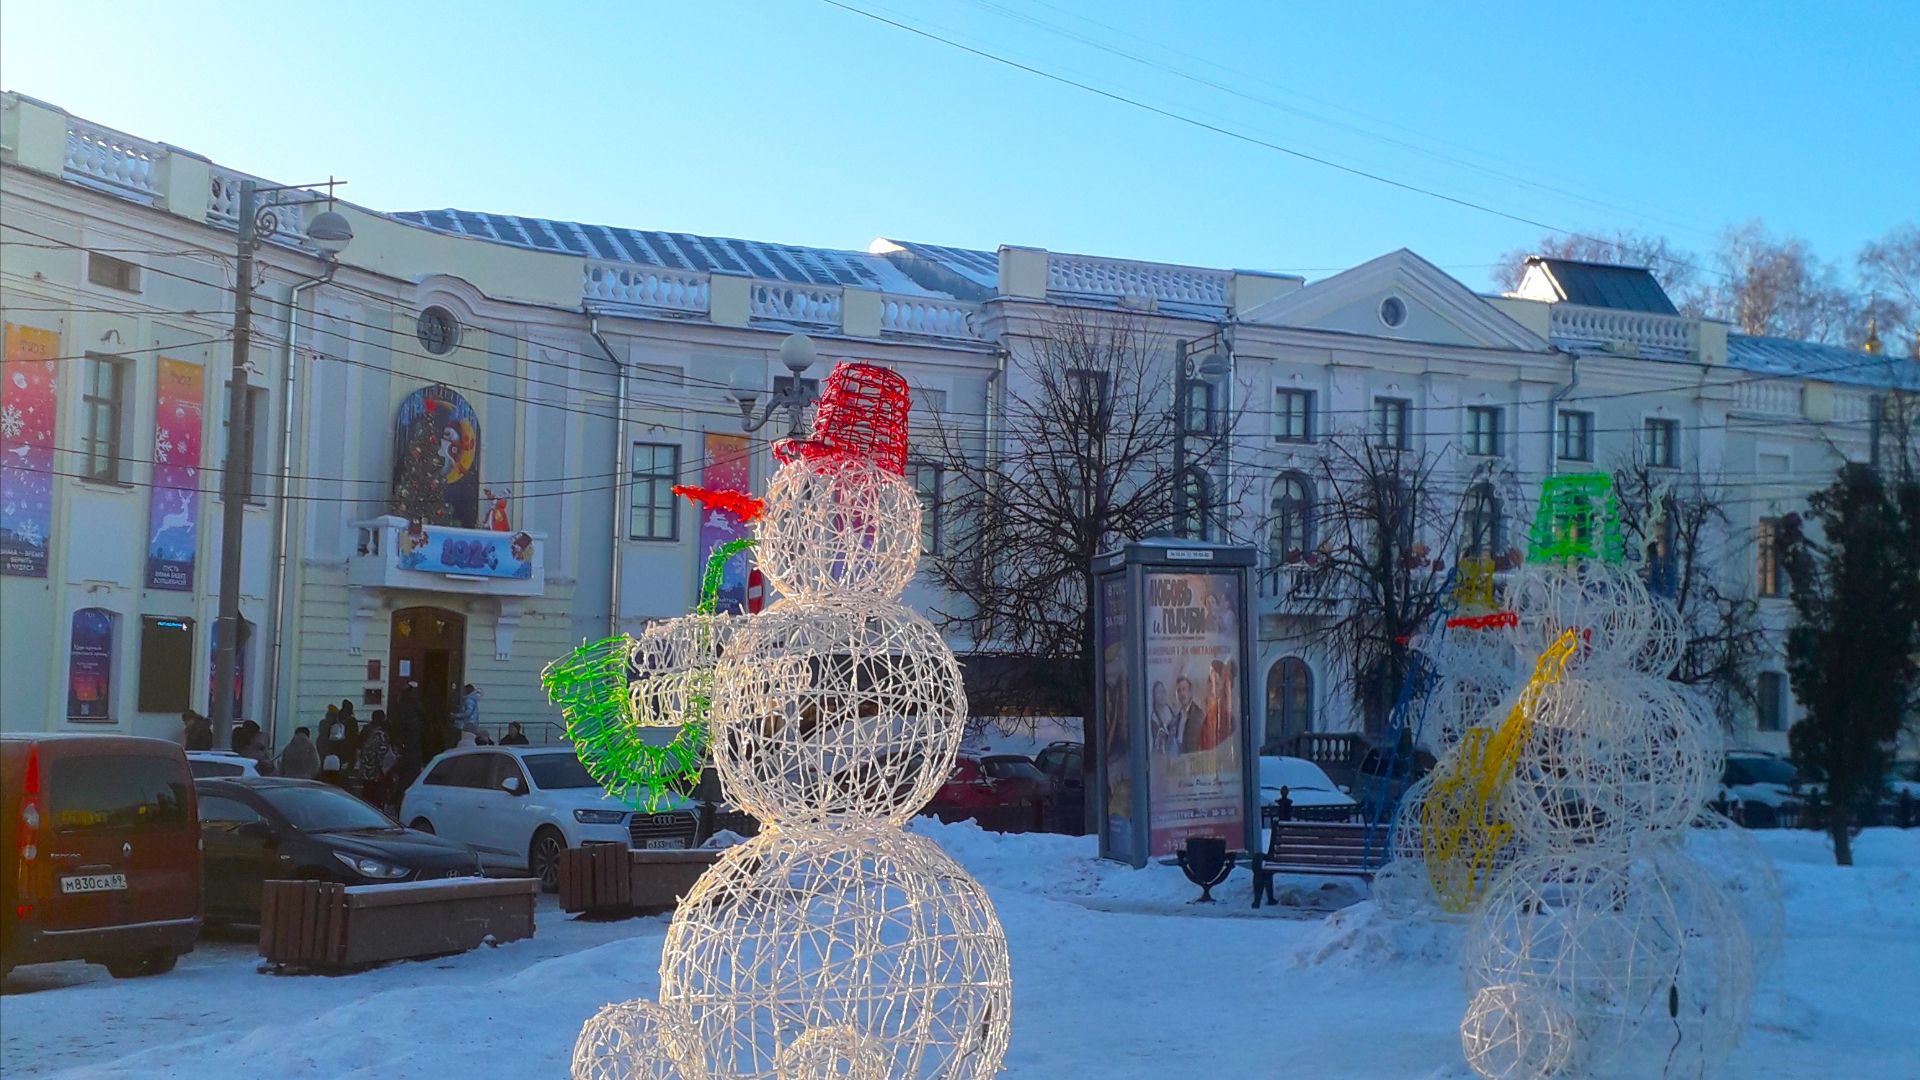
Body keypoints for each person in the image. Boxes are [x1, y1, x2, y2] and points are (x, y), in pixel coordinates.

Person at [352, 711, 399, 814]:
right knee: (376, 799)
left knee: (366, 797)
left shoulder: (366, 729)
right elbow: (382, 755)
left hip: (366, 770)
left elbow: (358, 744)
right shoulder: (381, 734)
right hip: (376, 773)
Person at [1175, 675, 1207, 753]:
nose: (1182, 693)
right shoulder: (1177, 717)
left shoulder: (1198, 715)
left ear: (1190, 692)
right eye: (1179, 690)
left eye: (1184, 689)